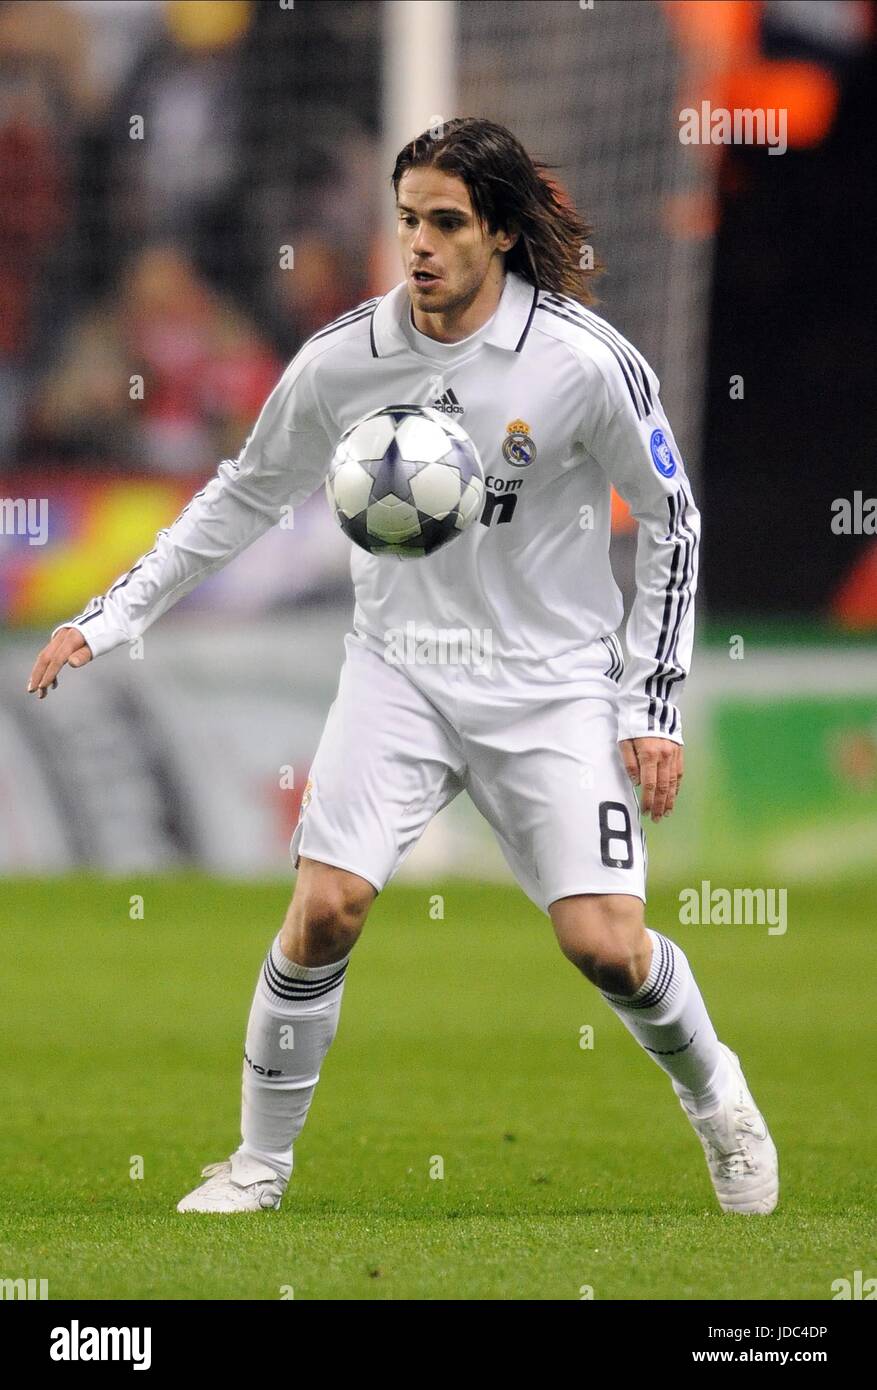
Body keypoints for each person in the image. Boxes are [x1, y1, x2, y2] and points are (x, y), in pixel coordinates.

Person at [28, 118, 778, 1216]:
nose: (417, 245)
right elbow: (242, 493)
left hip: (554, 683)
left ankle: (718, 1097)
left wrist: (649, 701)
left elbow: (674, 519)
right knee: (325, 907)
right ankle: (258, 1164)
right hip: (401, 673)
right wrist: (110, 616)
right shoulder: (346, 359)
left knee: (606, 945)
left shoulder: (580, 360)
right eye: (406, 221)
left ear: (502, 234)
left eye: (444, 223)